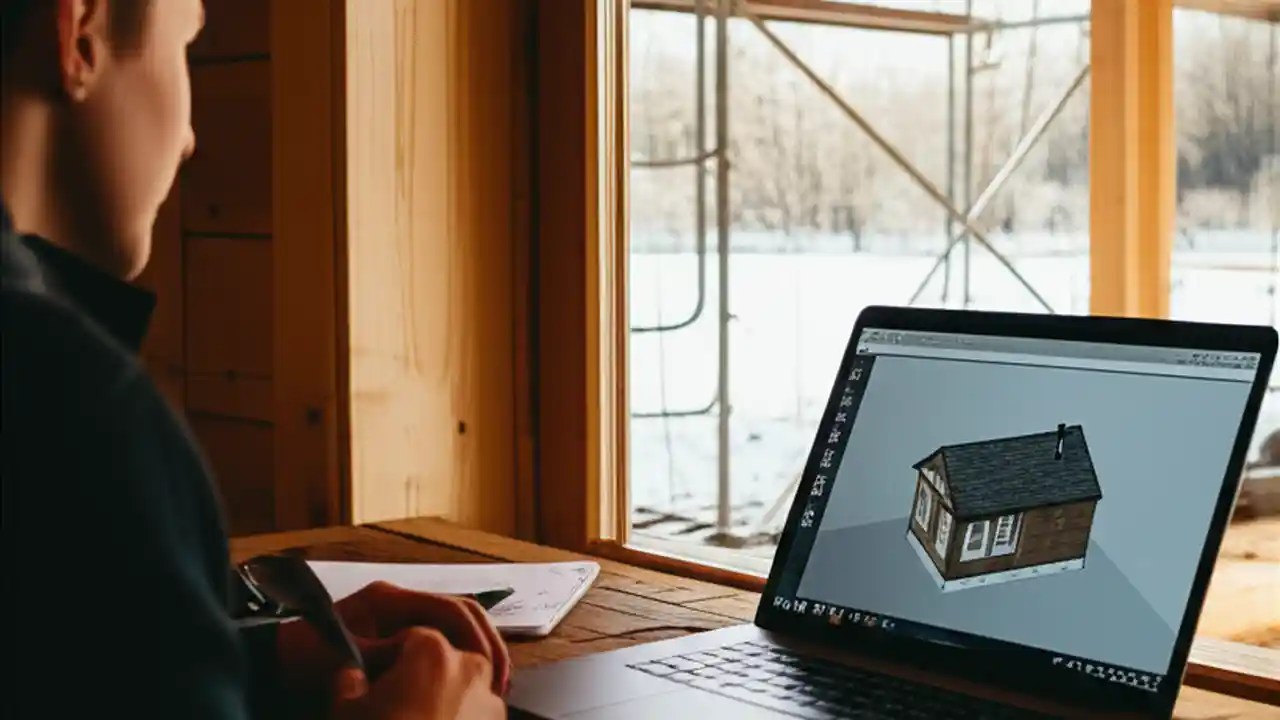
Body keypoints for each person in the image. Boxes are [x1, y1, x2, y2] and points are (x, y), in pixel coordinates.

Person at [1, 1, 509, 717]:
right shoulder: (70, 411)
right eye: (186, 48)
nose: (186, 137)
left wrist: (246, 656)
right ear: (77, 32)